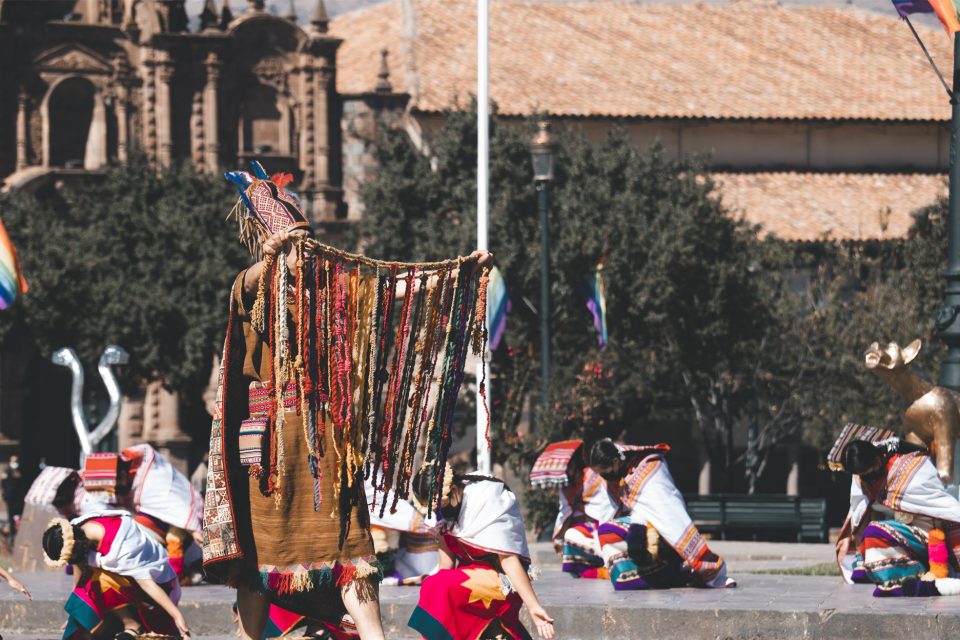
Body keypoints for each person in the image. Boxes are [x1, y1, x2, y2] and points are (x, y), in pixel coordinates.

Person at [408, 465, 555, 640]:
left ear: (453, 490)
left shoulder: (487, 498)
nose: (439, 514)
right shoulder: (442, 513)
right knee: (432, 585)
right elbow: (446, 562)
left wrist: (533, 607)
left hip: (501, 577)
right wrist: (441, 603)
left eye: (441, 507)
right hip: (468, 578)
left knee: (439, 585)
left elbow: (508, 560)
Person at [588, 438, 734, 590]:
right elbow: (611, 510)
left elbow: (665, 508)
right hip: (640, 524)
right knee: (607, 532)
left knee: (609, 531)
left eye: (604, 472)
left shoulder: (649, 466)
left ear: (616, 461)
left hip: (661, 532)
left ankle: (664, 571)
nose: (603, 477)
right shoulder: (616, 475)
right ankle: (637, 571)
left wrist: (640, 523)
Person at [833, 434, 960, 597]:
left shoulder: (911, 465)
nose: (869, 478)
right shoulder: (862, 477)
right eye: (864, 475)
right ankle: (908, 574)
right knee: (871, 535)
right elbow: (859, 510)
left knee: (874, 532)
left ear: (878, 457)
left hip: (931, 530)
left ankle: (916, 579)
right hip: (905, 532)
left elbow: (942, 504)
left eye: (871, 471)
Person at [42, 511, 189, 639]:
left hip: (158, 587)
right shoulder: (77, 533)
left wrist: (176, 615)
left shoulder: (123, 545)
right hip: (127, 588)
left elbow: (146, 583)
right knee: (84, 629)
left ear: (78, 543)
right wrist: (77, 610)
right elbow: (79, 568)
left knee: (100, 577)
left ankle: (132, 625)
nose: (74, 561)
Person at [529, 439, 621, 579]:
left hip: (603, 523)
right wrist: (558, 538)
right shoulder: (565, 487)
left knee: (575, 534)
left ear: (572, 466)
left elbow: (607, 505)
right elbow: (564, 511)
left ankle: (605, 563)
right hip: (584, 526)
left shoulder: (593, 476)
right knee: (571, 535)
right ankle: (586, 565)